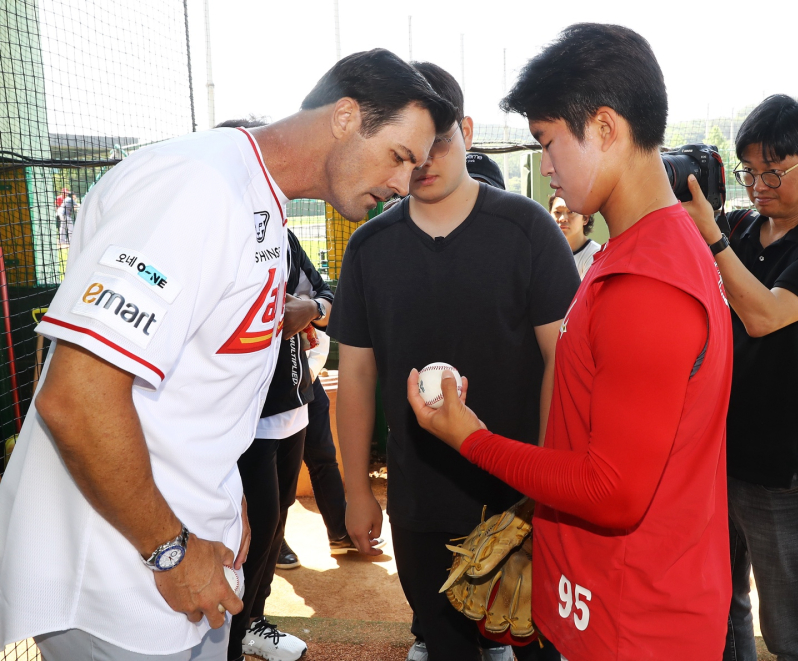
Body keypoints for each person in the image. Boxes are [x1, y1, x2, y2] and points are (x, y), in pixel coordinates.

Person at [0, 48, 456, 661]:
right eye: (401, 157)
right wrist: (169, 546)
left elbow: (204, 377)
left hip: (186, 554)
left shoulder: (259, 197)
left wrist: (216, 494)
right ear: (346, 116)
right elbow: (75, 396)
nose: (404, 183)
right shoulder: (197, 186)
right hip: (123, 575)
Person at [406, 24, 733, 661]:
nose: (545, 165)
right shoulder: (647, 248)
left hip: (633, 624)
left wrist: (468, 438)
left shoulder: (647, 282)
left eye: (548, 142)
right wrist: (540, 512)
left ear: (605, 128)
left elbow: (612, 490)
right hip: (622, 600)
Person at [328, 61, 578, 661]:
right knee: (444, 646)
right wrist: (356, 490)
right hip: (420, 502)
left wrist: (542, 489)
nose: (424, 159)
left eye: (440, 139)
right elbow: (356, 375)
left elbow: (563, 362)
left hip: (519, 496)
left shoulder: (528, 229)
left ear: (466, 128)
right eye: (410, 148)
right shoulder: (370, 246)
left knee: (539, 645)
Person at [682, 93, 798, 661]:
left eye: (774, 170)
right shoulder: (747, 234)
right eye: (749, 170)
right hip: (717, 453)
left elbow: (765, 315)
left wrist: (713, 238)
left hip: (780, 466)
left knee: (788, 624)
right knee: (721, 604)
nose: (759, 184)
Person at [230, 229, 333, 661]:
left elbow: (326, 296)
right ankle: (232, 635)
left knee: (278, 519)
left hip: (295, 400)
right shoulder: (225, 234)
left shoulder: (283, 236)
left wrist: (308, 308)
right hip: (245, 412)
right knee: (257, 521)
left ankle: (253, 622)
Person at [548, 194, 601, 279]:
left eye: (571, 212)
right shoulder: (543, 253)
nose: (563, 218)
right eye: (557, 212)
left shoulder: (595, 255)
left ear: (585, 218)